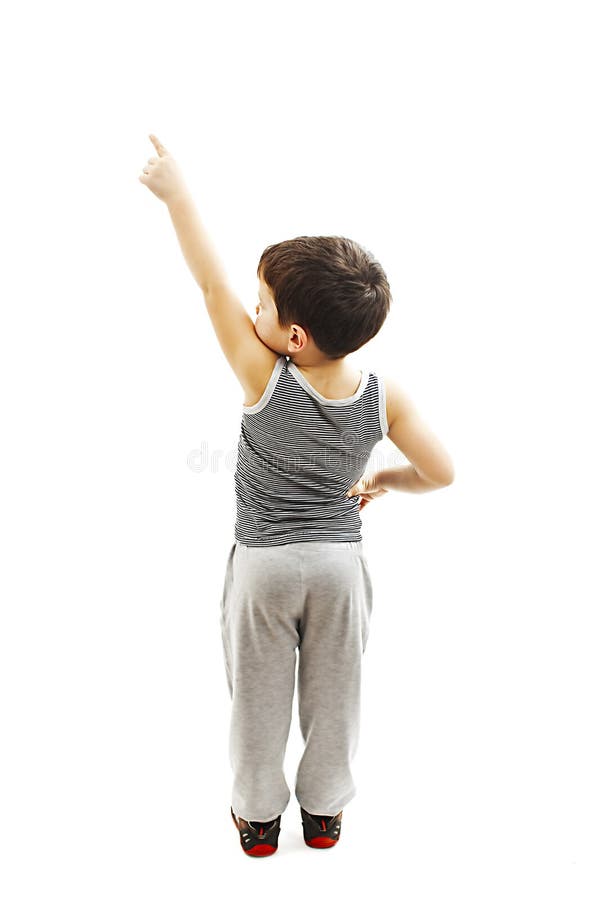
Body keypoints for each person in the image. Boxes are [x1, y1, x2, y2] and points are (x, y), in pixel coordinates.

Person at [139, 134, 455, 857]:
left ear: (295, 334)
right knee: (335, 697)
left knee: (258, 699)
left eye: (264, 304)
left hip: (264, 567)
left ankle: (257, 819)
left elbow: (211, 285)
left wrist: (178, 195)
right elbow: (441, 472)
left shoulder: (265, 375)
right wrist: (384, 480)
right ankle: (324, 812)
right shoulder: (384, 396)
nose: (250, 311)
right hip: (340, 568)